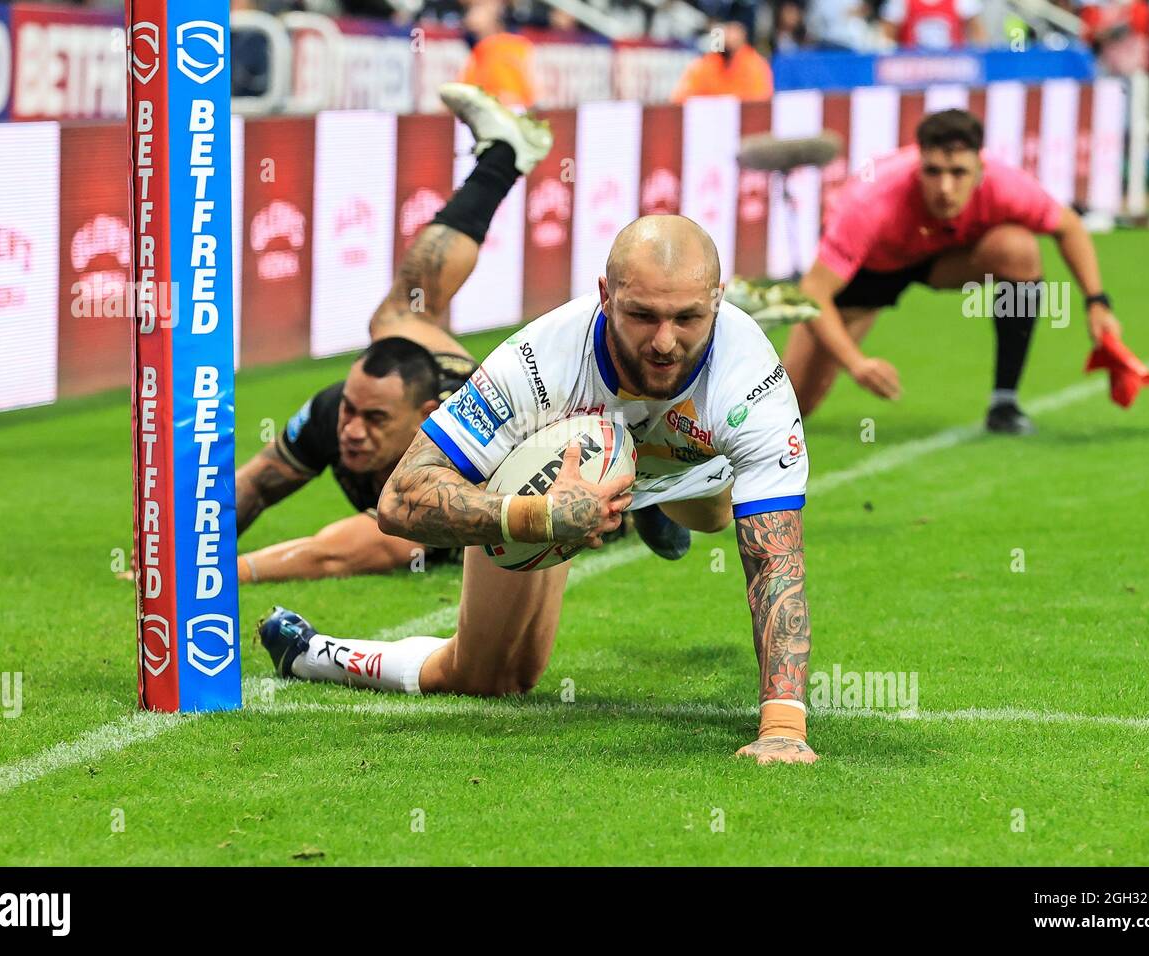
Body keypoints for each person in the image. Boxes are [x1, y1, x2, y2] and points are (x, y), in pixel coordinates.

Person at [259, 215, 820, 765]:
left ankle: (650, 500)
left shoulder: (753, 381)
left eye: (688, 318)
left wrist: (782, 728)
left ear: (718, 301)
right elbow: (399, 499)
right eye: (642, 315)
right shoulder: (536, 362)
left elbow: (775, 563)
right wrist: (538, 516)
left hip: (694, 473)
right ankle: (314, 654)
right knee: (490, 678)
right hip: (563, 474)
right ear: (605, 296)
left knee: (718, 516)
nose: (664, 342)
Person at [233, 83, 551, 582]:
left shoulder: (462, 459)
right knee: (396, 316)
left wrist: (216, 580)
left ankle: (658, 510)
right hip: (457, 386)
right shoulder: (337, 413)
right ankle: (502, 158)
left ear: (427, 418)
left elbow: (333, 554)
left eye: (375, 419)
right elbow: (254, 484)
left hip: (556, 457)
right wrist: (185, 559)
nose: (352, 431)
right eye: (351, 411)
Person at [783, 108, 1123, 433]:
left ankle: (1004, 403)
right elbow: (813, 292)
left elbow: (1069, 227)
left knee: (1018, 250)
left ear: (980, 168)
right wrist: (857, 363)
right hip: (870, 271)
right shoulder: (871, 202)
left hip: (937, 260)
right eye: (933, 172)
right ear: (918, 165)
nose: (945, 188)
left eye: (958, 173)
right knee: (794, 404)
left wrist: (1097, 302)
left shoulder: (1005, 184)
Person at [670, 20, 774, 103]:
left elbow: (759, 102)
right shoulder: (705, 64)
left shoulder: (755, 65)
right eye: (727, 31)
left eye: (734, 32)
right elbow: (681, 98)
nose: (730, 37)